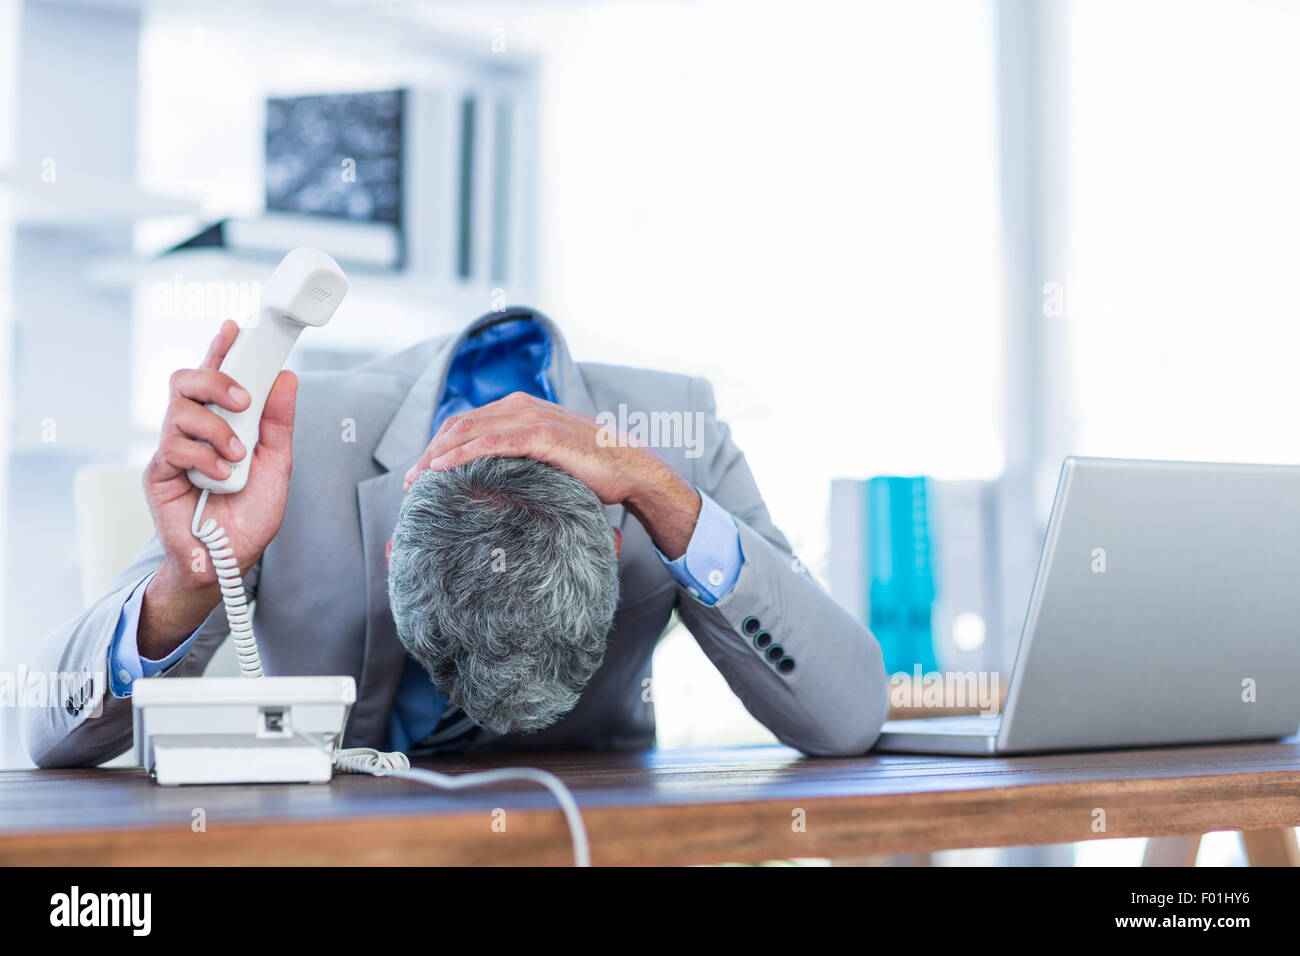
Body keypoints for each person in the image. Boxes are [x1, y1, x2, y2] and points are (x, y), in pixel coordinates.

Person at [22, 307, 888, 766]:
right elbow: (45, 730)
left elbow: (848, 715)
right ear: (397, 551)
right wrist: (203, 574)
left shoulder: (679, 431)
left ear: (613, 544)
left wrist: (670, 501)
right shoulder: (297, 433)